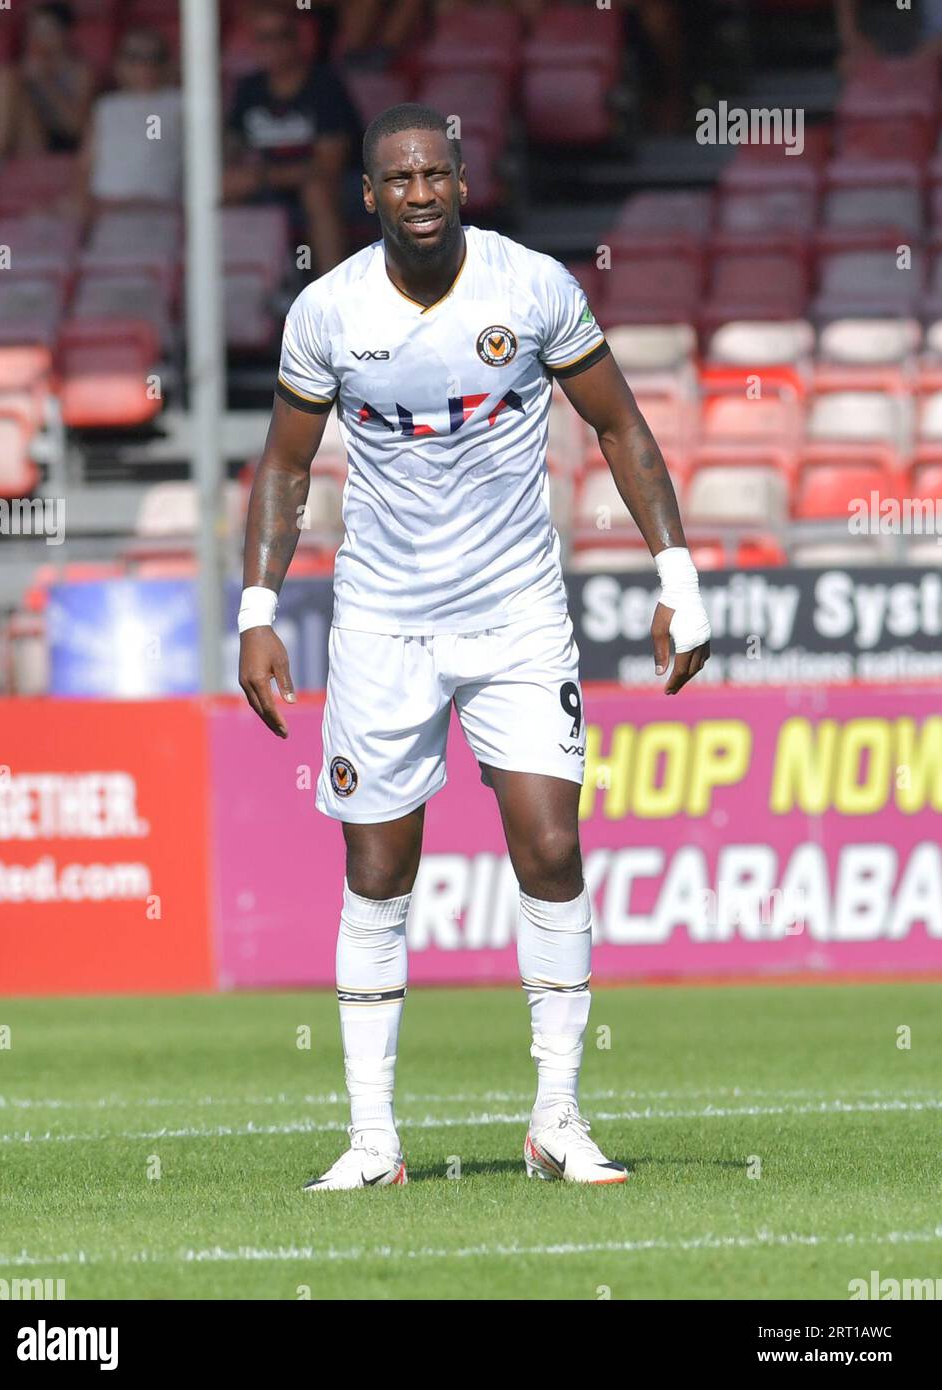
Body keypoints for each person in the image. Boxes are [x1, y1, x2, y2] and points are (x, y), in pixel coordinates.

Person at [237, 104, 711, 1190]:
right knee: (377, 870)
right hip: (383, 623)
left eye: (437, 173)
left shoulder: (530, 286)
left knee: (549, 846)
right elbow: (283, 466)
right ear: (369, 194)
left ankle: (556, 1120)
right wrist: (256, 609)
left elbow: (621, 428)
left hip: (516, 612)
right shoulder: (329, 313)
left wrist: (676, 580)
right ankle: (372, 1141)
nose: (420, 192)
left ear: (462, 180)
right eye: (399, 177)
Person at [224, 1, 361, 275]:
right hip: (272, 185)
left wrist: (261, 176)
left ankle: (330, 298)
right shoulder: (249, 88)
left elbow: (328, 167)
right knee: (217, 188)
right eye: (262, 38)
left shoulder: (325, 85)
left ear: (297, 40)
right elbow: (231, 147)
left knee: (316, 191)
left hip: (341, 187)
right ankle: (242, 291)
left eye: (280, 36)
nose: (271, 46)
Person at [76, 28, 182, 210]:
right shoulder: (105, 106)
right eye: (135, 57)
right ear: (119, 63)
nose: (145, 66)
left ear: (167, 63)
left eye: (154, 57)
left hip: (157, 207)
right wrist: (82, 203)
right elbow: (86, 164)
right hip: (104, 206)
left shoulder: (180, 103)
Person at [16, 2, 95, 155]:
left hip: (62, 142)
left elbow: (75, 127)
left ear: (66, 32)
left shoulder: (82, 72)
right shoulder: (26, 67)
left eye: (46, 30)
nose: (39, 38)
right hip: (23, 140)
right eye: (34, 31)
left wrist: (45, 82)